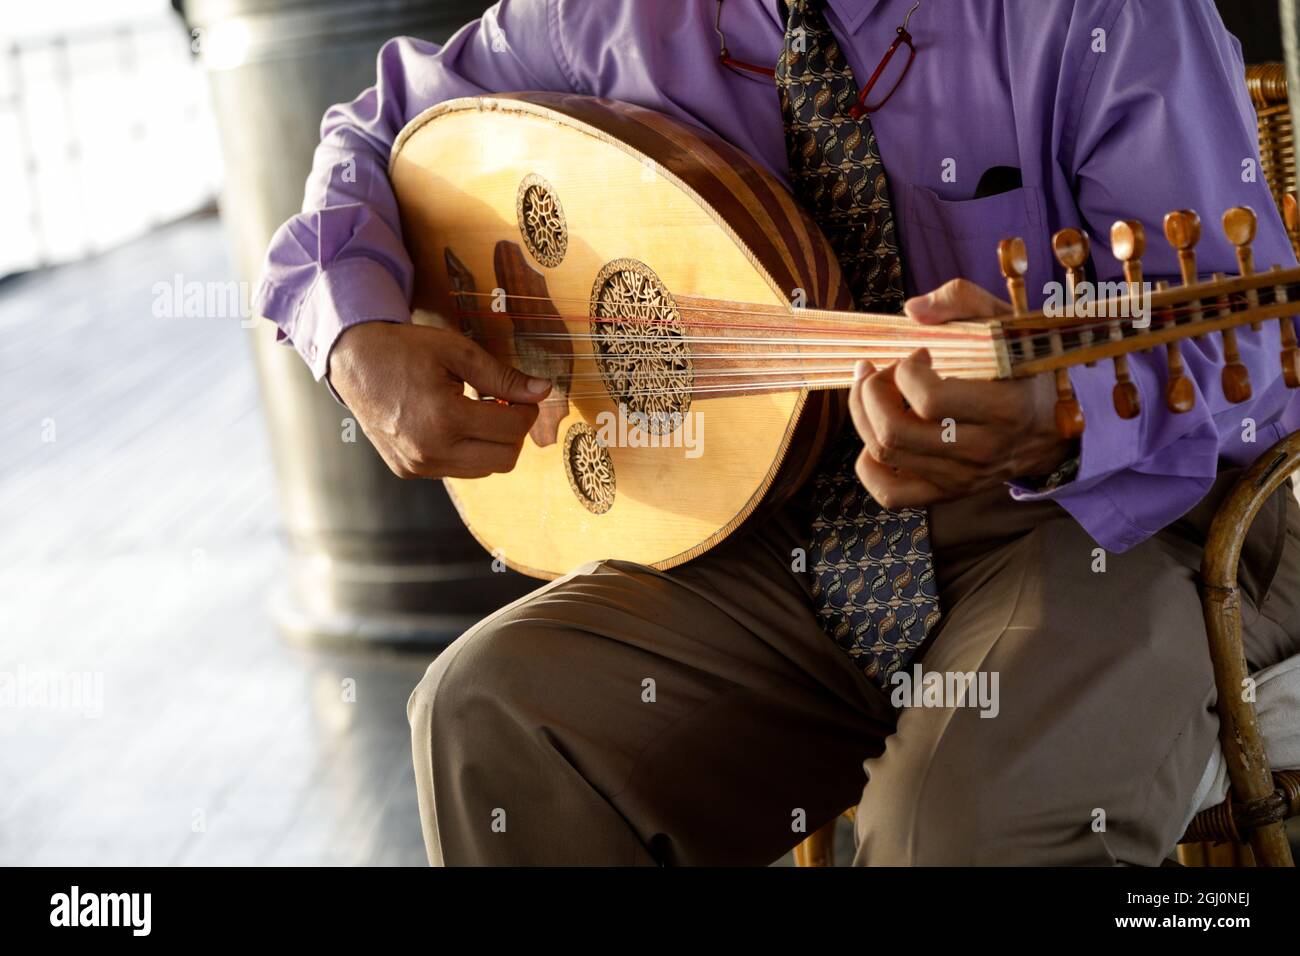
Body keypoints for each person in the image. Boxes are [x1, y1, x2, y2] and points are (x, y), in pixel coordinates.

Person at [252, 0, 1300, 865]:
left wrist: (1048, 412)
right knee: (491, 711)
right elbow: (373, 126)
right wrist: (355, 331)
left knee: (959, 821)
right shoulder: (604, 18)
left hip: (1103, 521)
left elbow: (1249, 347)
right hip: (780, 533)